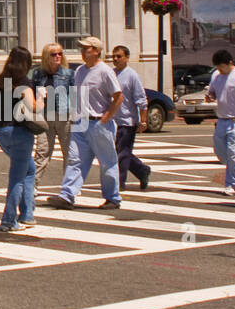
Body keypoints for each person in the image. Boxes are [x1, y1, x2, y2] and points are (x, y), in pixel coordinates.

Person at [47, 36, 123, 210]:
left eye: (86, 48)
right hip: (80, 122)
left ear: (96, 51)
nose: (82, 51)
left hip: (99, 124)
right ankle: (67, 195)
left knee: (107, 162)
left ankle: (113, 198)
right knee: (75, 159)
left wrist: (107, 117)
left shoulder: (105, 71)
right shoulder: (80, 71)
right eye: (81, 48)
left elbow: (118, 96)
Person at [0, 46, 39, 232]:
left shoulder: (1, 80)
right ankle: (9, 219)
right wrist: (41, 98)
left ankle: (27, 214)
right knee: (17, 177)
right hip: (20, 132)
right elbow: (33, 107)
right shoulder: (23, 82)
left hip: (2, 132)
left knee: (29, 169)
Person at [30, 43, 74, 181]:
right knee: (42, 151)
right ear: (46, 57)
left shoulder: (68, 74)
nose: (58, 56)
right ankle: (33, 185)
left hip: (63, 116)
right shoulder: (38, 74)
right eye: (54, 54)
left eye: (60, 53)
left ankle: (69, 186)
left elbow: (75, 96)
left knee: (69, 152)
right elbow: (32, 93)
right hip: (45, 117)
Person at [204, 49, 235, 196]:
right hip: (221, 120)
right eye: (217, 67)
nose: (219, 70)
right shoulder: (216, 75)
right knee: (221, 153)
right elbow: (212, 92)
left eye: (221, 66)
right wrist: (210, 96)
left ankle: (231, 184)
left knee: (233, 154)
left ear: (230, 63)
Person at [112, 45, 150, 191]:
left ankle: (119, 183)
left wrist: (143, 120)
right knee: (120, 151)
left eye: (119, 56)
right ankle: (142, 170)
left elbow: (141, 99)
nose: (116, 59)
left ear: (127, 58)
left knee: (122, 153)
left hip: (127, 121)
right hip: (112, 121)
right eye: (114, 56)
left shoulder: (132, 75)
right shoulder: (111, 74)